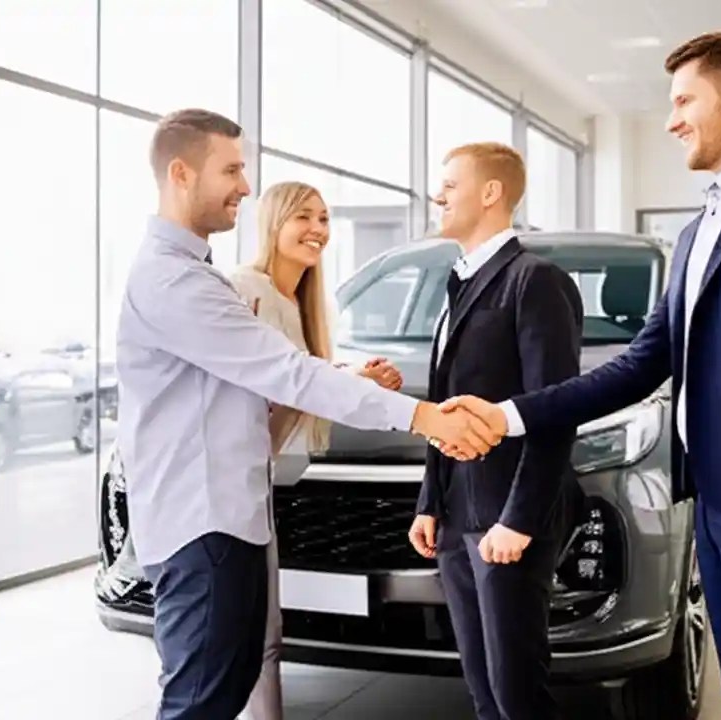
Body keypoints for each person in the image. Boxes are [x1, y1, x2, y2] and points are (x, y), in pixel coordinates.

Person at [440, 33, 721, 720]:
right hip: (712, 497)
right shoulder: (697, 227)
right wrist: (509, 415)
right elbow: (643, 362)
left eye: (683, 100)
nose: (671, 119)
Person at [117, 108, 496, 720]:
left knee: (226, 682)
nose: (245, 186)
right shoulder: (174, 282)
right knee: (198, 700)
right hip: (201, 522)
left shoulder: (195, 274)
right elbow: (288, 372)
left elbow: (268, 381)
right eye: (232, 170)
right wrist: (424, 417)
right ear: (182, 173)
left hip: (227, 515)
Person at [408, 142, 583, 720]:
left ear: (491, 193)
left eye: (450, 185)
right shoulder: (455, 285)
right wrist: (430, 502)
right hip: (459, 515)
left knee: (517, 695)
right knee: (484, 693)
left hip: (507, 518)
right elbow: (443, 406)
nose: (438, 195)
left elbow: (553, 410)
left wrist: (520, 518)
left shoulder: (535, 281)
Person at [230, 180, 401, 720]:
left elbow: (298, 383)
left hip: (264, 485)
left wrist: (358, 378)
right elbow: (274, 378)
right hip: (228, 488)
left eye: (325, 219)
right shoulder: (244, 288)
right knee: (248, 640)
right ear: (272, 223)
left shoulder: (303, 306)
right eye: (304, 217)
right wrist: (350, 377)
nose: (318, 230)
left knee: (267, 638)